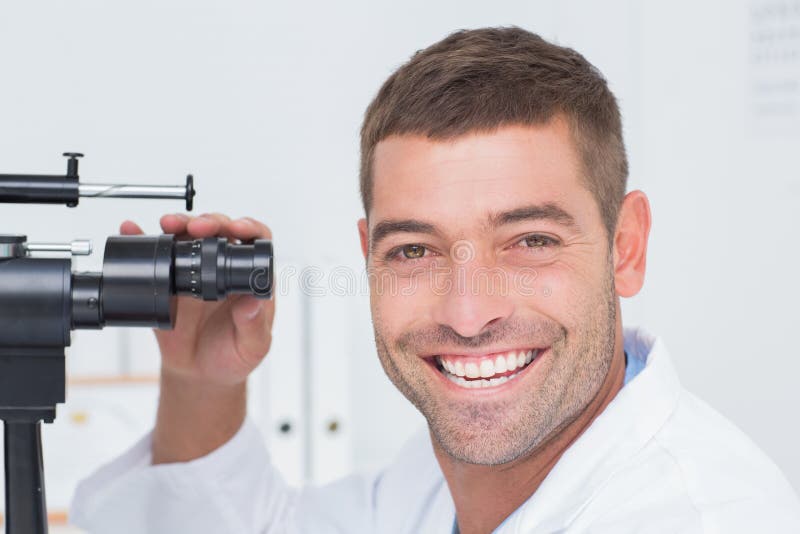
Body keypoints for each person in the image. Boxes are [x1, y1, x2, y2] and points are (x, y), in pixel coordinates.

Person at [69, 27, 800, 533]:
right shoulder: (437, 477)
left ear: (625, 248)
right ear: (368, 258)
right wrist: (204, 380)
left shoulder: (699, 518)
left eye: (530, 240)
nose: (469, 313)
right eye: (414, 251)